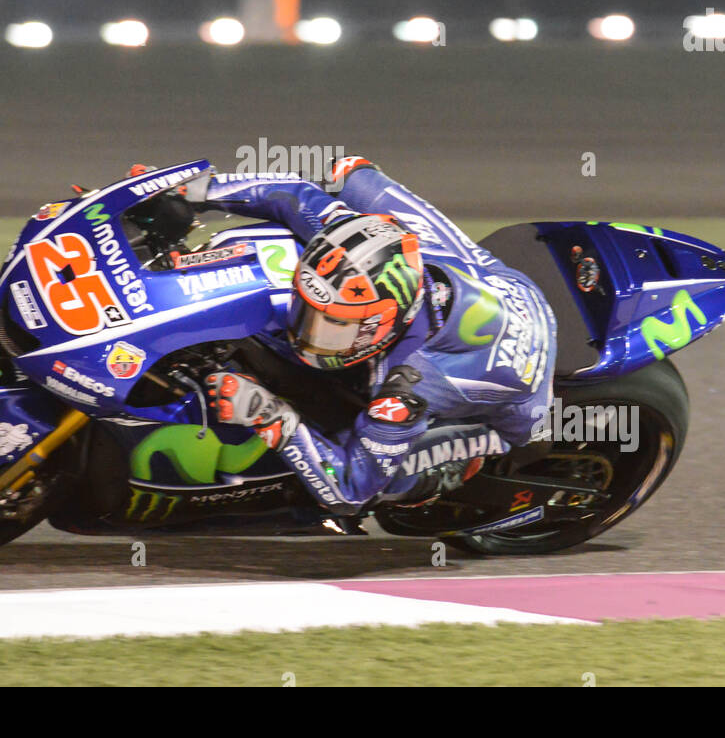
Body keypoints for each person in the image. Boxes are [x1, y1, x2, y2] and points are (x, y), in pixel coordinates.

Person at [181, 156, 557, 511]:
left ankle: (456, 467)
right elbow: (291, 194)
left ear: (383, 324)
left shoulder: (405, 391)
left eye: (334, 326)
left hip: (519, 409)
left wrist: (271, 416)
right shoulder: (366, 241)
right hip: (490, 282)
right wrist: (202, 190)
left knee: (384, 478)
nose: (308, 332)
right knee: (348, 172)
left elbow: (348, 490)